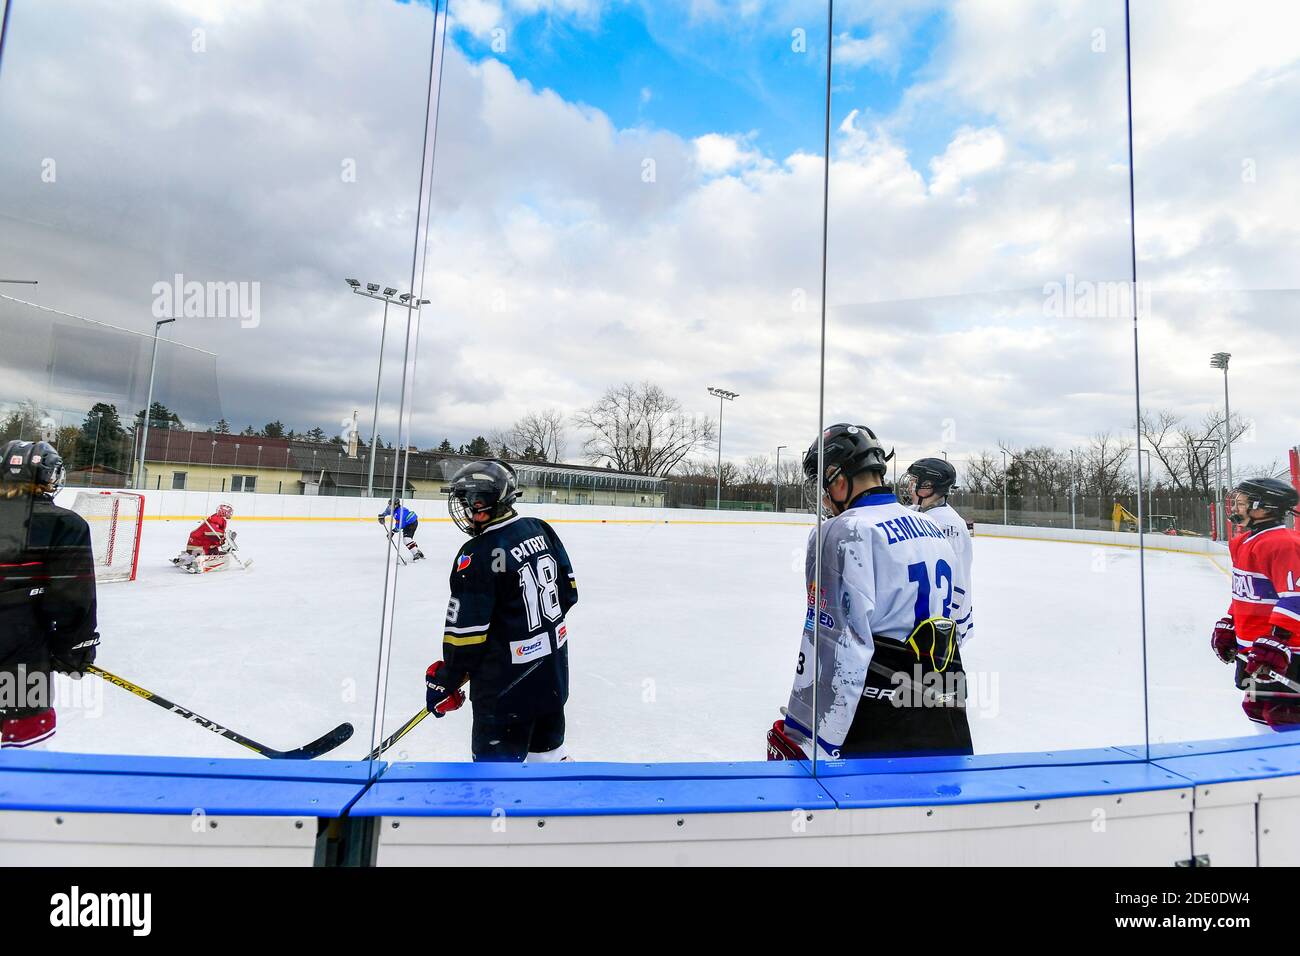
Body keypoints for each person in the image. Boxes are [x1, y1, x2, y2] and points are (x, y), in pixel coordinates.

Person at [768, 424, 973, 761]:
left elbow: (836, 641)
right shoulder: (933, 529)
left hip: (879, 716)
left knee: (862, 812)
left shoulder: (843, 531)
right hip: (943, 703)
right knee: (933, 806)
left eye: (823, 483)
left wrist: (806, 733)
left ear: (837, 477)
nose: (823, 496)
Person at [424, 459, 578, 762]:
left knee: (495, 786)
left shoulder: (477, 555)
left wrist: (447, 678)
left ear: (482, 504)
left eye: (468, 500)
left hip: (505, 697)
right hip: (553, 681)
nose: (465, 509)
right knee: (548, 770)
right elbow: (568, 594)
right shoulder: (540, 529)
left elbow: (465, 640)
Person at [0, 440, 100, 749]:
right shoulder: (65, 524)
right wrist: (73, 646)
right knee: (24, 742)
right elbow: (71, 597)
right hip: (21, 646)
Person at [1210, 477, 1300, 728]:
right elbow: (1246, 592)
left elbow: (1295, 597)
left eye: (1241, 503)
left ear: (1264, 507)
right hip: (1253, 650)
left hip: (1286, 653)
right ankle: (1266, 765)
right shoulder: (1242, 542)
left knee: (1284, 715)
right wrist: (1231, 622)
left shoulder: (1285, 544)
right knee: (1256, 709)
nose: (1236, 508)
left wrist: (1278, 638)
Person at [905, 457, 975, 645]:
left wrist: (949, 623)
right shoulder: (920, 512)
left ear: (928, 486)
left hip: (940, 624)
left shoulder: (948, 524)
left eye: (914, 481)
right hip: (926, 621)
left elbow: (955, 580)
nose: (910, 486)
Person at [172, 503, 236, 573]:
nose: (230, 514)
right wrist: (223, 540)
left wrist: (223, 540)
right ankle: (195, 563)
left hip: (196, 541)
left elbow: (214, 535)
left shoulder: (217, 518)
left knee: (214, 553)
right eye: (229, 512)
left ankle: (185, 558)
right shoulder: (217, 519)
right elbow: (212, 534)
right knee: (214, 556)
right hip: (200, 543)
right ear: (224, 512)